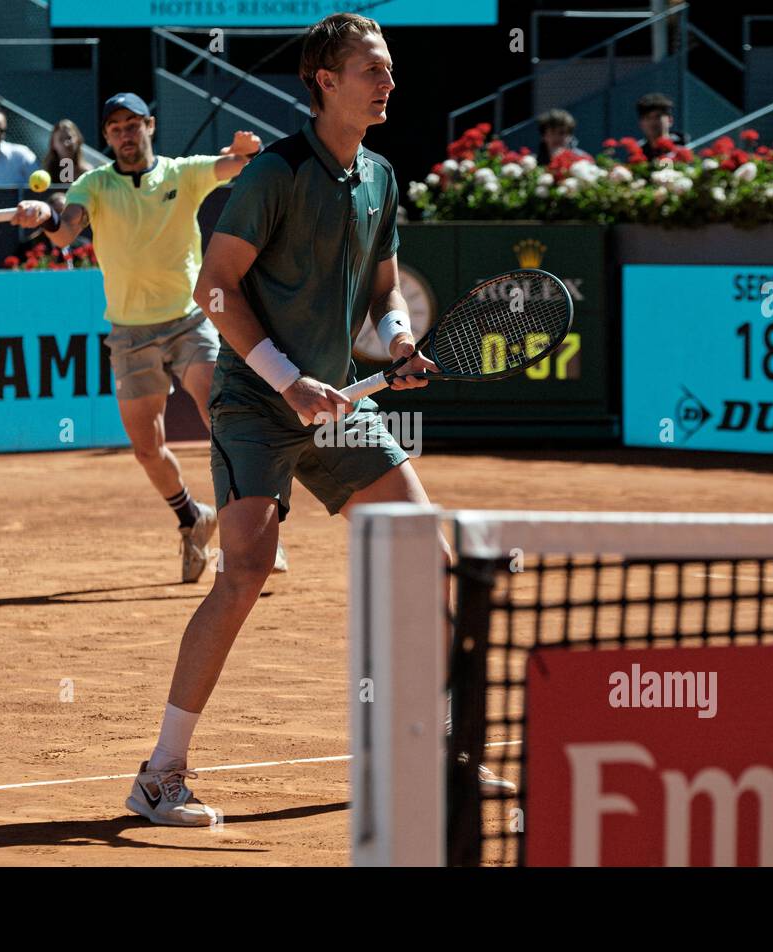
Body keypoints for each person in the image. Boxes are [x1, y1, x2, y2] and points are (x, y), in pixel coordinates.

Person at [117, 13, 510, 827]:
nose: (389, 83)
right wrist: (288, 380)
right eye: (373, 69)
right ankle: (160, 774)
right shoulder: (275, 175)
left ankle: (445, 754)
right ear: (325, 81)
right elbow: (214, 291)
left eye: (391, 70)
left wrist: (398, 341)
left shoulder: (381, 177)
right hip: (258, 403)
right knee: (247, 572)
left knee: (430, 560)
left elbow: (384, 289)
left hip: (337, 400)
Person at [11, 93, 279, 585]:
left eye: (132, 124)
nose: (125, 134)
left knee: (220, 412)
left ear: (149, 126)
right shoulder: (92, 184)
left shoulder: (182, 172)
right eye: (115, 128)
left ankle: (249, 534)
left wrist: (246, 150)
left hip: (189, 319)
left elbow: (238, 164)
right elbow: (67, 232)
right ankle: (191, 518)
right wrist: (44, 216)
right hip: (130, 331)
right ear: (107, 137)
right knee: (146, 447)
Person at [636, 92, 687, 161]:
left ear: (670, 120)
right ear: (641, 123)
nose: (652, 122)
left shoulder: (684, 147)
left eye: (658, 117)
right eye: (647, 118)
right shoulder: (637, 152)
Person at [41, 118, 92, 186]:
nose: (66, 144)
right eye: (61, 139)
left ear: (78, 140)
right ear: (53, 144)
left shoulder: (88, 173)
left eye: (69, 138)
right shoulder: (46, 175)